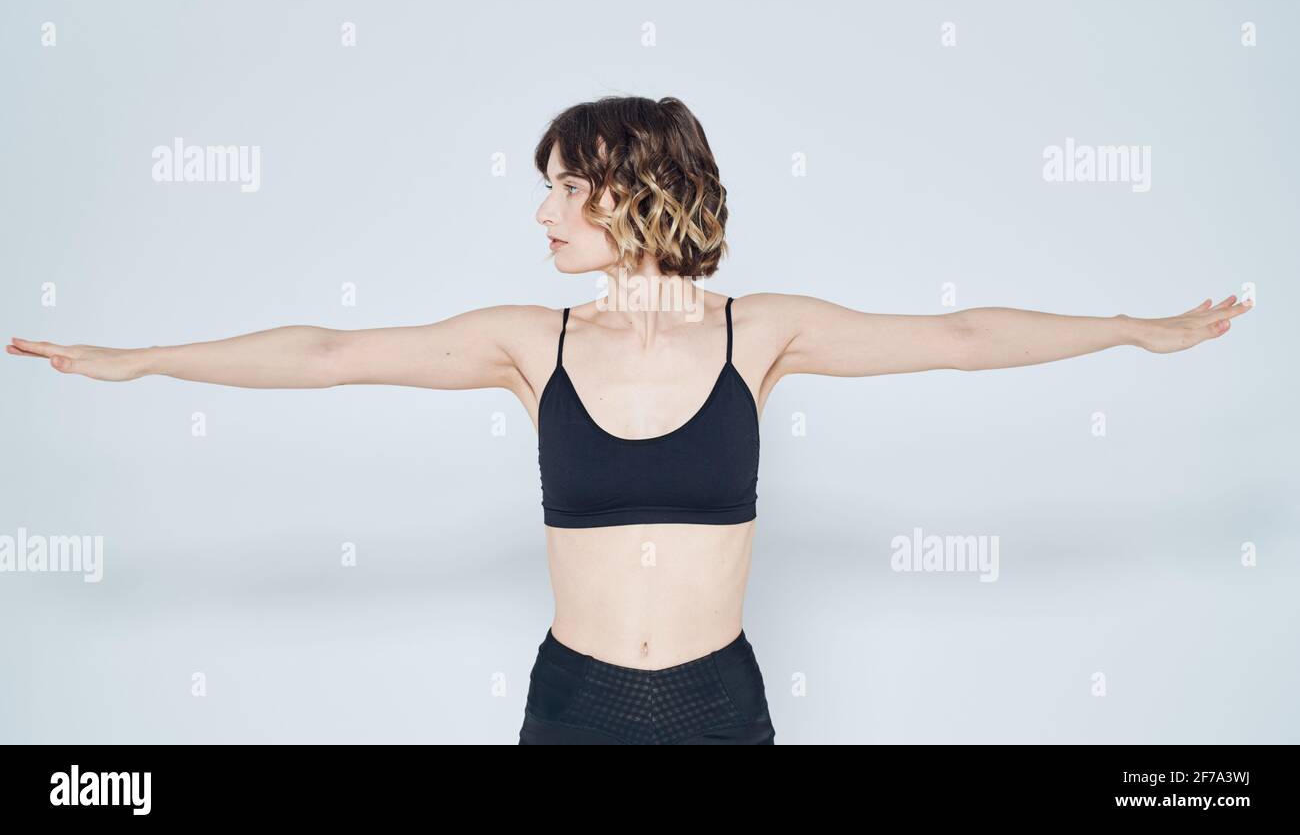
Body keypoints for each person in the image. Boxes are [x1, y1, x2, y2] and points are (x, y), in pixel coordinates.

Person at [7, 95, 1253, 745]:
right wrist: (141, 360)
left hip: (719, 709)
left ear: (637, 187)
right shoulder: (528, 341)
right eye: (540, 186)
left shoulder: (758, 333)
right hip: (576, 710)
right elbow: (331, 352)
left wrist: (1135, 329)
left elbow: (960, 337)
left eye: (563, 185)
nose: (541, 212)